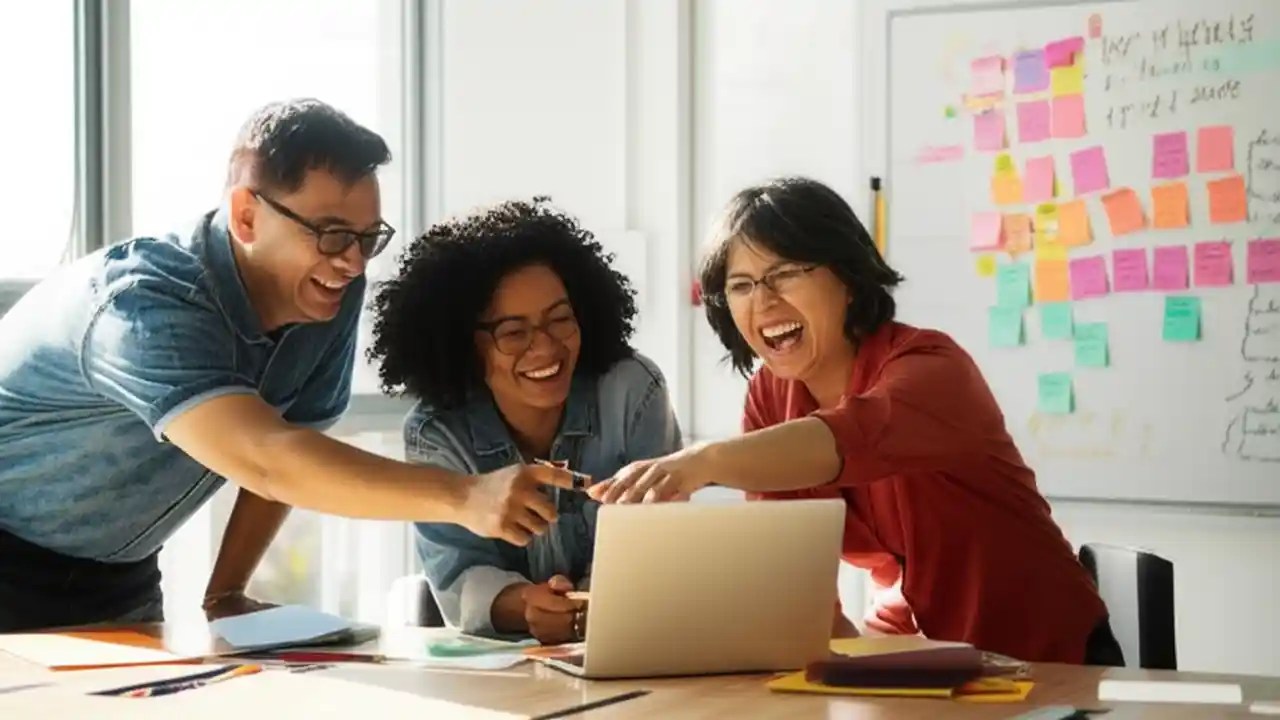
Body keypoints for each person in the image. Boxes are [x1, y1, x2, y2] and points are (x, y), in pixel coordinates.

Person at [0, 99, 569, 633]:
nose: (352, 263)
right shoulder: (144, 304)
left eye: (367, 238)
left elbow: (293, 440)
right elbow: (267, 460)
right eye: (332, 235)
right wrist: (465, 496)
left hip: (121, 573)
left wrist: (226, 593)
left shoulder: (327, 294)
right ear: (247, 215)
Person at [588, 176, 1123, 666]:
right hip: (921, 663)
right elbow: (796, 583)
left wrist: (703, 462)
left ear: (846, 278)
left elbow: (845, 438)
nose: (763, 301)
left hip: (1043, 660)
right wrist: (848, 667)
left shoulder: (931, 368)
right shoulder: (770, 397)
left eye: (785, 274)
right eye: (742, 285)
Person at [367, 197, 682, 644]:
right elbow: (459, 576)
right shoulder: (436, 433)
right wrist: (528, 606)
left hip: (632, 641)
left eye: (560, 320)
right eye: (514, 333)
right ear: (464, 344)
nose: (546, 347)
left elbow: (657, 543)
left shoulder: (633, 391)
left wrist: (588, 607)